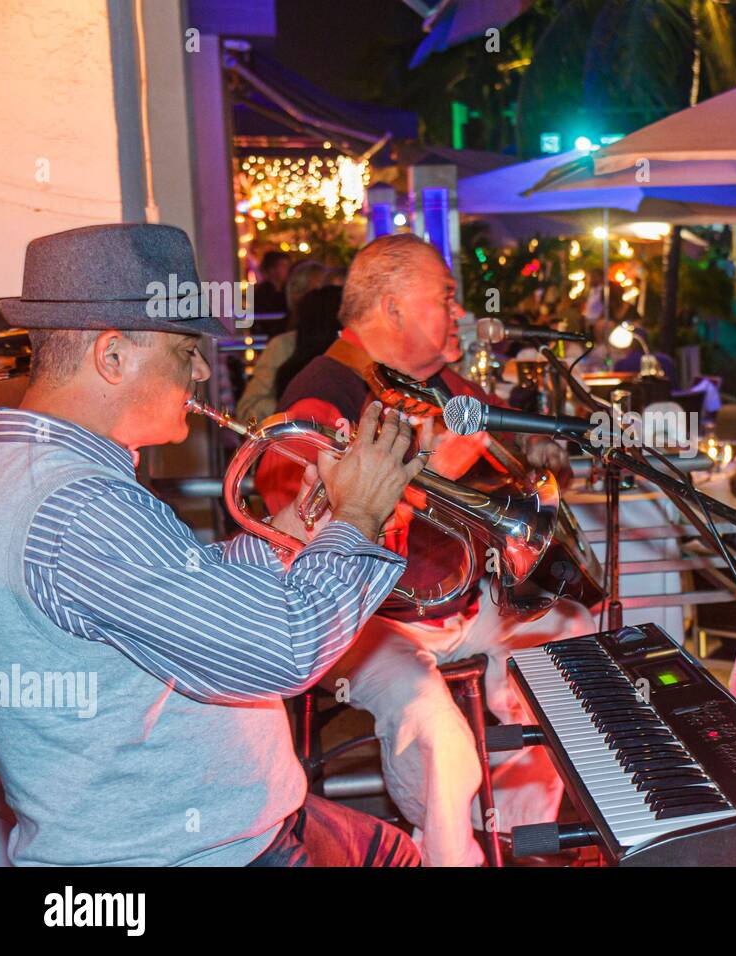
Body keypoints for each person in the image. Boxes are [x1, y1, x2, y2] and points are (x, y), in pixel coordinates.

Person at [0, 223, 422, 866]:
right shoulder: (80, 505)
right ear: (112, 357)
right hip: (196, 851)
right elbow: (283, 649)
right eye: (185, 349)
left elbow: (184, 592)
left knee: (391, 852)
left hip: (219, 827)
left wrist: (303, 521)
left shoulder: (33, 466)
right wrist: (359, 513)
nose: (198, 370)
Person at [256, 234, 595, 867]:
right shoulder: (320, 397)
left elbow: (505, 445)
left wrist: (531, 452)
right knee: (439, 736)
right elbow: (295, 550)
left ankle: (518, 838)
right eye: (443, 296)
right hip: (361, 623)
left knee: (572, 636)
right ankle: (449, 854)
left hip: (451, 603)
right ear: (392, 307)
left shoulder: (431, 382)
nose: (458, 311)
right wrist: (426, 473)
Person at [236, 259, 330, 423]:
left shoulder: (347, 345)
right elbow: (247, 410)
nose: (326, 303)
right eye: (317, 295)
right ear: (298, 298)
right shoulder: (283, 345)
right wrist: (295, 408)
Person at [254, 249, 292, 315]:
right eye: (284, 266)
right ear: (272, 269)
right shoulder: (263, 293)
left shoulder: (288, 290)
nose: (288, 269)